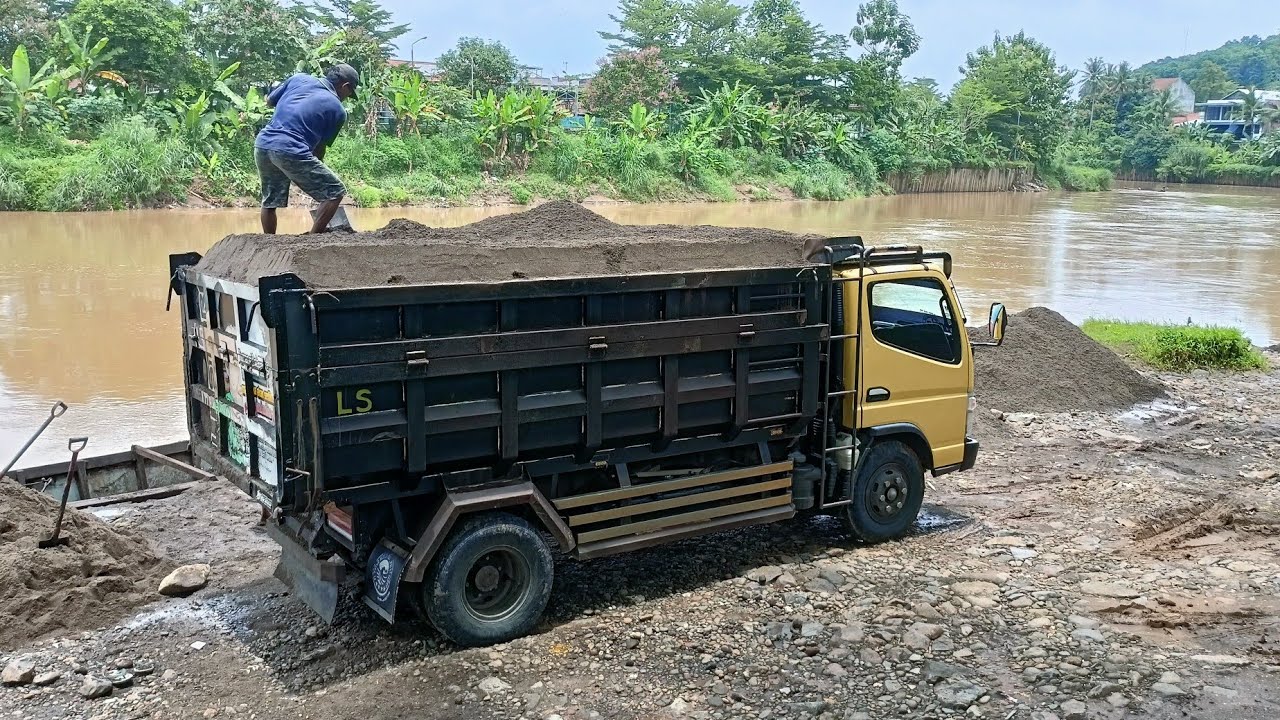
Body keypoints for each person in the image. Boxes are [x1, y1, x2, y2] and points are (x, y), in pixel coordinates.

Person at [254, 64, 359, 234]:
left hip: (263, 143)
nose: (347, 98)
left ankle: (269, 241)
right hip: (290, 148)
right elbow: (319, 148)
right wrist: (315, 171)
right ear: (345, 87)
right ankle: (313, 239)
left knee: (270, 200)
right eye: (349, 94)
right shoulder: (338, 110)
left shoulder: (298, 78)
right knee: (334, 191)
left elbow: (269, 101)